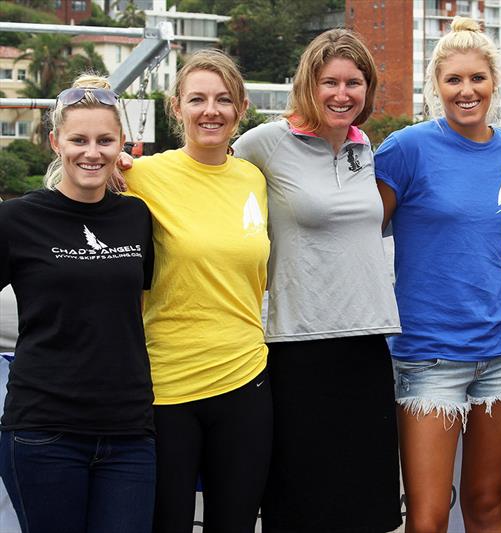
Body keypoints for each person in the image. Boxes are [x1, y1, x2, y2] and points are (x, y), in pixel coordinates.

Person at [232, 29, 402, 533]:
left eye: (354, 83)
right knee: (300, 504)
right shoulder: (265, 143)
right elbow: (206, 175)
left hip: (367, 341)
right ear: (309, 84)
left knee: (366, 506)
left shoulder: (363, 147)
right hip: (297, 344)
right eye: (330, 82)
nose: (342, 94)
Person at [374, 17, 501, 533]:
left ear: (495, 82)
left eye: (477, 78)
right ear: (436, 86)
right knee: (428, 517)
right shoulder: (405, 149)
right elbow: (357, 235)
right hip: (427, 355)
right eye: (454, 80)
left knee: (487, 507)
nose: (467, 91)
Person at [123, 50, 272, 533]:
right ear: (177, 107)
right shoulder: (141, 175)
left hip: (245, 379)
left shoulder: (254, 179)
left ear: (241, 109)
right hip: (167, 387)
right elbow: (78, 175)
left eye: (224, 100)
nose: (211, 110)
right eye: (197, 99)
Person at [0, 75, 156, 533]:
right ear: (55, 143)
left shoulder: (136, 216)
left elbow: (135, 308)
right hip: (43, 430)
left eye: (104, 140)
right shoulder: (16, 219)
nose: (92, 152)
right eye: (78, 140)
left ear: (121, 143)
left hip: (129, 431)